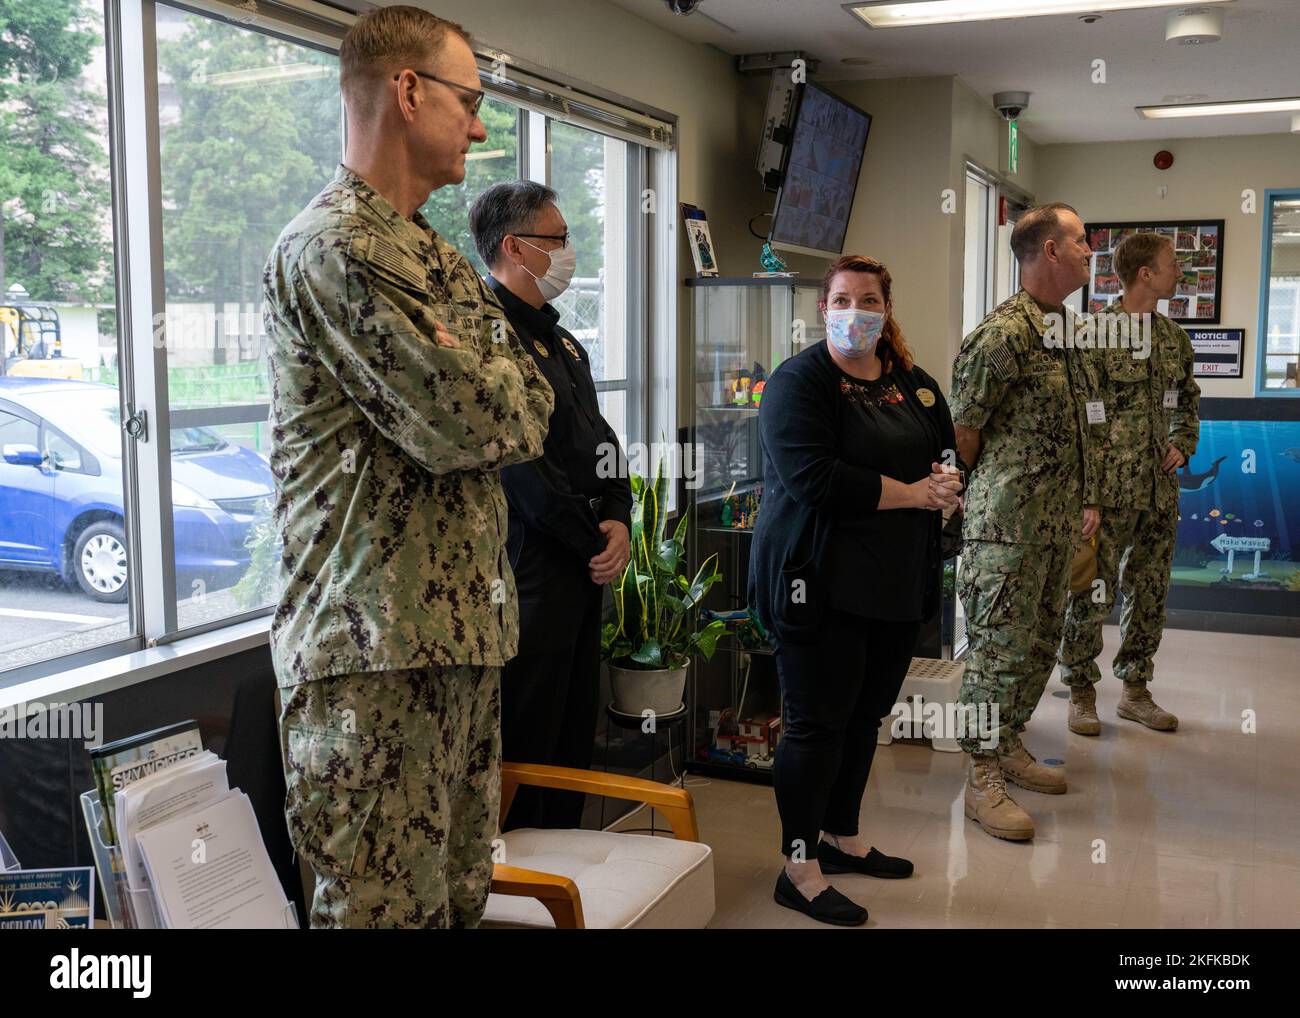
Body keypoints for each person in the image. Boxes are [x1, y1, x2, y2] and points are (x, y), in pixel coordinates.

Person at [263, 7, 554, 928]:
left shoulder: (431, 251)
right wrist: (496, 382)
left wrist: (497, 380)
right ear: (407, 91)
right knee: (383, 916)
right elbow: (474, 419)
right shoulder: (333, 248)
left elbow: (531, 403)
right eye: (466, 100)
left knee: (460, 903)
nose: (477, 124)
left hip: (458, 646)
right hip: (370, 663)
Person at [748, 255, 963, 926]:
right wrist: (915, 495)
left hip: (894, 587)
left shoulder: (912, 383)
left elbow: (947, 452)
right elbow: (818, 479)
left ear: (886, 308)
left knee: (865, 719)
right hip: (819, 586)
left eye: (868, 300)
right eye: (842, 300)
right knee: (816, 726)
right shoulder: (797, 383)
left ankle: (841, 837)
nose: (855, 311)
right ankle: (798, 866)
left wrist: (949, 486)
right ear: (823, 309)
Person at [468, 180, 632, 830]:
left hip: (583, 570)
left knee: (572, 741)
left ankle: (568, 879)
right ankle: (524, 893)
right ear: (514, 246)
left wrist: (619, 515)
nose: (569, 251)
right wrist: (596, 542)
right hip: (530, 577)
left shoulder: (563, 343)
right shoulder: (486, 341)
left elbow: (602, 441)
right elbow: (524, 476)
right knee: (528, 745)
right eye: (557, 238)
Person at [950, 202, 1102, 842]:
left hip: (1055, 529)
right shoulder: (1003, 334)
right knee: (995, 654)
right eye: (1081, 239)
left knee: (1038, 646)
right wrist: (1012, 493)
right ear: (1050, 252)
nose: (1091, 250)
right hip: (1005, 533)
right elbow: (965, 432)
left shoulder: (1069, 328)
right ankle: (980, 778)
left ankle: (1008, 744)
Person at [1059, 232, 1200, 734]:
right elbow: (1079, 420)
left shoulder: (1174, 339)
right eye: (1170, 264)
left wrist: (1185, 440)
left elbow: (1188, 399)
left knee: (1151, 590)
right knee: (1094, 593)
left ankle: (1136, 690)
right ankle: (1080, 689)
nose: (1177, 273)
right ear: (1145, 273)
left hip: (1160, 493)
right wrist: (1087, 496)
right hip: (1108, 494)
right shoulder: (1095, 335)